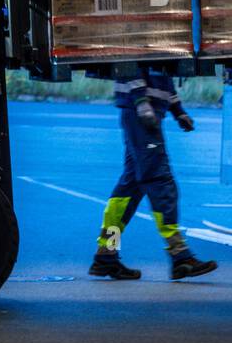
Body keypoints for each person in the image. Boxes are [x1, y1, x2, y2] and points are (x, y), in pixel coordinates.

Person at [90, 67, 217, 281]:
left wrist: (178, 110)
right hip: (140, 111)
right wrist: (141, 101)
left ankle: (106, 252)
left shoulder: (165, 47)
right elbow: (128, 60)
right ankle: (179, 254)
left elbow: (162, 76)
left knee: (129, 191)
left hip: (143, 111)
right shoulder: (147, 39)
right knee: (160, 181)